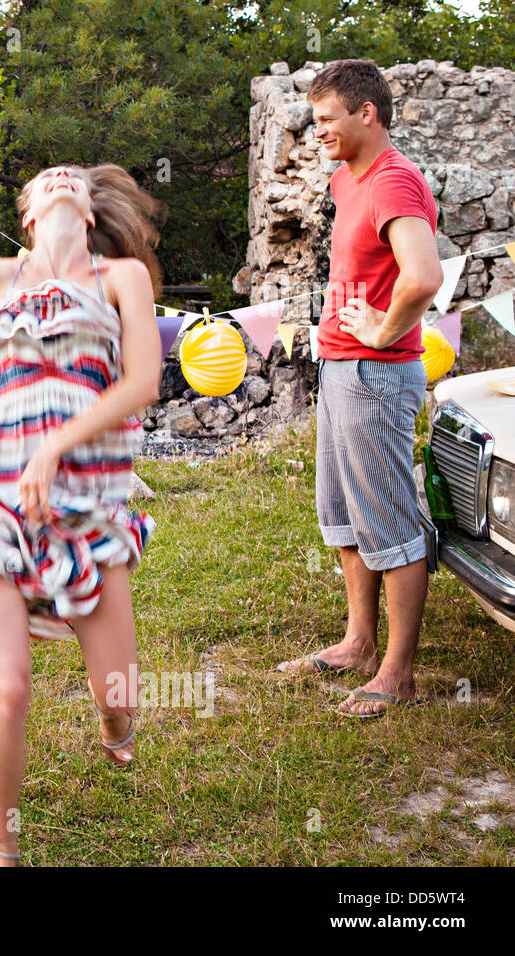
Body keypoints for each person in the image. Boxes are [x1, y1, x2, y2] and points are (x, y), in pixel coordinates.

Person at [0, 165, 162, 865]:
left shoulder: (120, 280)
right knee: (9, 685)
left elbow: (143, 382)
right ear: (27, 212)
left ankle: (112, 726)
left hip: (86, 495)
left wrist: (56, 447)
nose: (61, 177)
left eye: (74, 178)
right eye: (44, 178)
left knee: (119, 693)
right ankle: (2, 849)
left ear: (88, 210)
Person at [276, 60, 443, 718]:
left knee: (390, 522)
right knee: (344, 517)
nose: (317, 131)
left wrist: (382, 331)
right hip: (342, 367)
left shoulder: (396, 182)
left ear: (365, 113)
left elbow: (424, 276)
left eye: (326, 119)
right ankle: (357, 644)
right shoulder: (349, 180)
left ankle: (397, 674)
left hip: (376, 374)